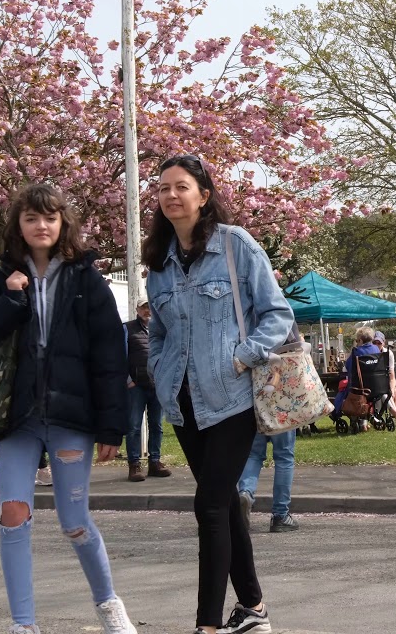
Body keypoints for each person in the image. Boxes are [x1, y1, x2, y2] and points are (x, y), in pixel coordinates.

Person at [0, 183, 136, 634]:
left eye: (50, 218)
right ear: (18, 225)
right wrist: (10, 299)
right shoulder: (2, 278)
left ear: (63, 223)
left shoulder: (86, 279)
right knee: (13, 515)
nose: (41, 225)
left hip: (71, 418)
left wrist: (112, 427)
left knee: (74, 523)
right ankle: (24, 626)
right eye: (31, 218)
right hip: (18, 420)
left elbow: (110, 357)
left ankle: (109, 604)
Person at [143, 155, 293, 634]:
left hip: (232, 398)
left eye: (181, 186)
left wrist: (242, 357)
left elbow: (277, 314)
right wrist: (158, 367)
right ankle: (254, 608)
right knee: (225, 504)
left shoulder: (235, 245)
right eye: (163, 188)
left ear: (203, 195)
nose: (170, 195)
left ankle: (206, 625)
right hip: (183, 404)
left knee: (208, 507)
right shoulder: (159, 264)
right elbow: (159, 332)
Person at [124, 301, 170, 482]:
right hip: (136, 386)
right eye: (143, 307)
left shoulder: (162, 329)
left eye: (150, 306)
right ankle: (134, 464)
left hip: (157, 386)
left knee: (157, 426)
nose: (147, 310)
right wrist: (128, 380)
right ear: (137, 309)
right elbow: (119, 355)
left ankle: (155, 462)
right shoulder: (127, 329)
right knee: (133, 426)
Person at [237, 427, 299, 533]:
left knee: (253, 455)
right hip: (280, 417)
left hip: (253, 416)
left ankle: (246, 492)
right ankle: (280, 515)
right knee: (284, 456)